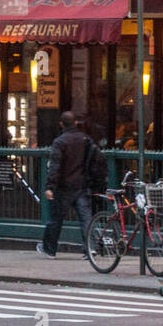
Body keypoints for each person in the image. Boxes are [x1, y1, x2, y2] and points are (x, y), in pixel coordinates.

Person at [39, 111, 98, 258]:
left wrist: (50, 186)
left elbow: (55, 166)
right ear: (76, 123)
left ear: (61, 124)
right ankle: (90, 248)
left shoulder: (60, 142)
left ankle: (50, 249)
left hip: (63, 186)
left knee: (55, 219)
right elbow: (93, 160)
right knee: (85, 218)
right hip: (81, 184)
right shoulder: (85, 139)